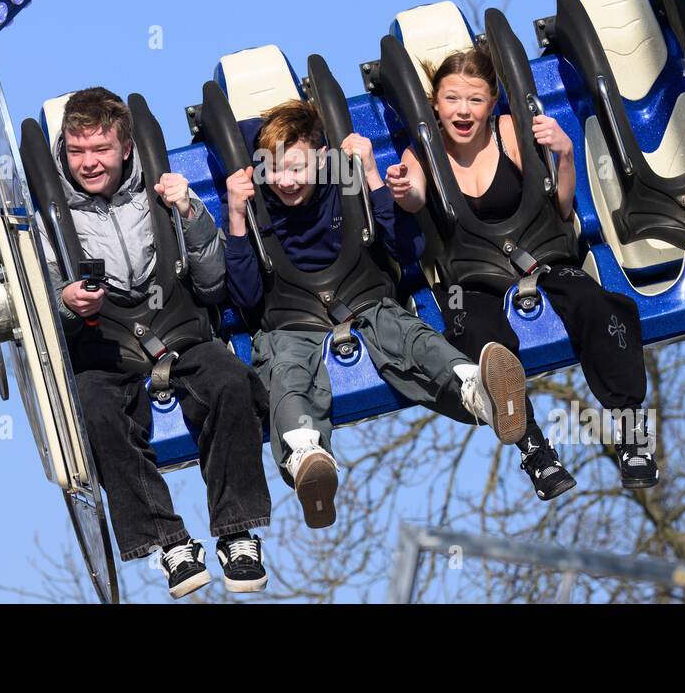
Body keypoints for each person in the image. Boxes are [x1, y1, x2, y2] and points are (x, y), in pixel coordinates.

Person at [223, 98, 529, 529]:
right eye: (272, 169)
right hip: (291, 322)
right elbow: (247, 297)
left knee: (405, 335)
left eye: (298, 168)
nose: (285, 181)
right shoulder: (254, 206)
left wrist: (372, 177)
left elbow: (408, 250)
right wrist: (237, 217)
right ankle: (307, 455)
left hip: (365, 301)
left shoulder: (344, 185)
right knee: (287, 370)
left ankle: (475, 389)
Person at [386, 48, 659, 498]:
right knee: (473, 336)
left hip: (540, 258)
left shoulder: (509, 132)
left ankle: (632, 435)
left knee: (596, 305)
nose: (463, 111)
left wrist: (565, 153)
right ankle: (534, 450)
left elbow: (562, 207)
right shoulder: (423, 152)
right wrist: (403, 189)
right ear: (435, 104)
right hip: (471, 277)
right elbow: (415, 196)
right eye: (452, 99)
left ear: (492, 103)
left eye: (475, 100)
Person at [38, 87, 272, 600]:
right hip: (103, 345)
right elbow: (42, 301)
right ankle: (167, 540)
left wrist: (189, 214)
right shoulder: (49, 221)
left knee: (231, 382)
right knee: (97, 412)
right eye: (76, 152)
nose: (88, 163)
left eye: (100, 150)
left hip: (179, 328)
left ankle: (237, 531)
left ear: (125, 148)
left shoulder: (162, 194)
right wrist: (65, 300)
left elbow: (212, 283)